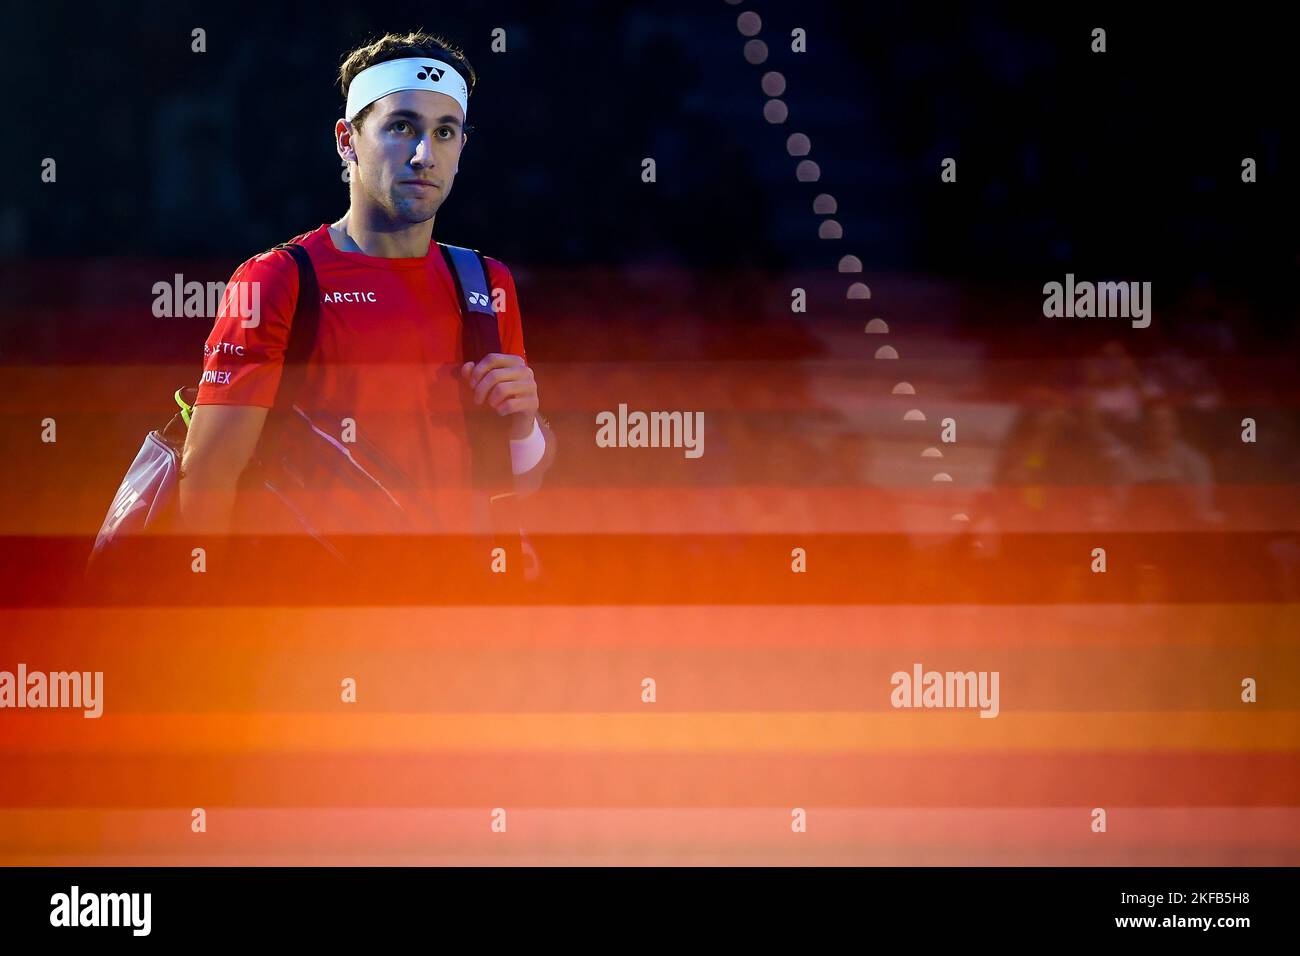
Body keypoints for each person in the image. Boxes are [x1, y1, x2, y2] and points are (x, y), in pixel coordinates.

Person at [178, 30, 554, 575]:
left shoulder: (486, 281)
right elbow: (208, 477)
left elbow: (518, 481)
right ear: (346, 140)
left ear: (461, 148)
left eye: (444, 132)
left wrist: (524, 425)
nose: (424, 154)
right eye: (401, 127)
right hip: (313, 623)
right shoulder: (278, 279)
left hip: (453, 620)